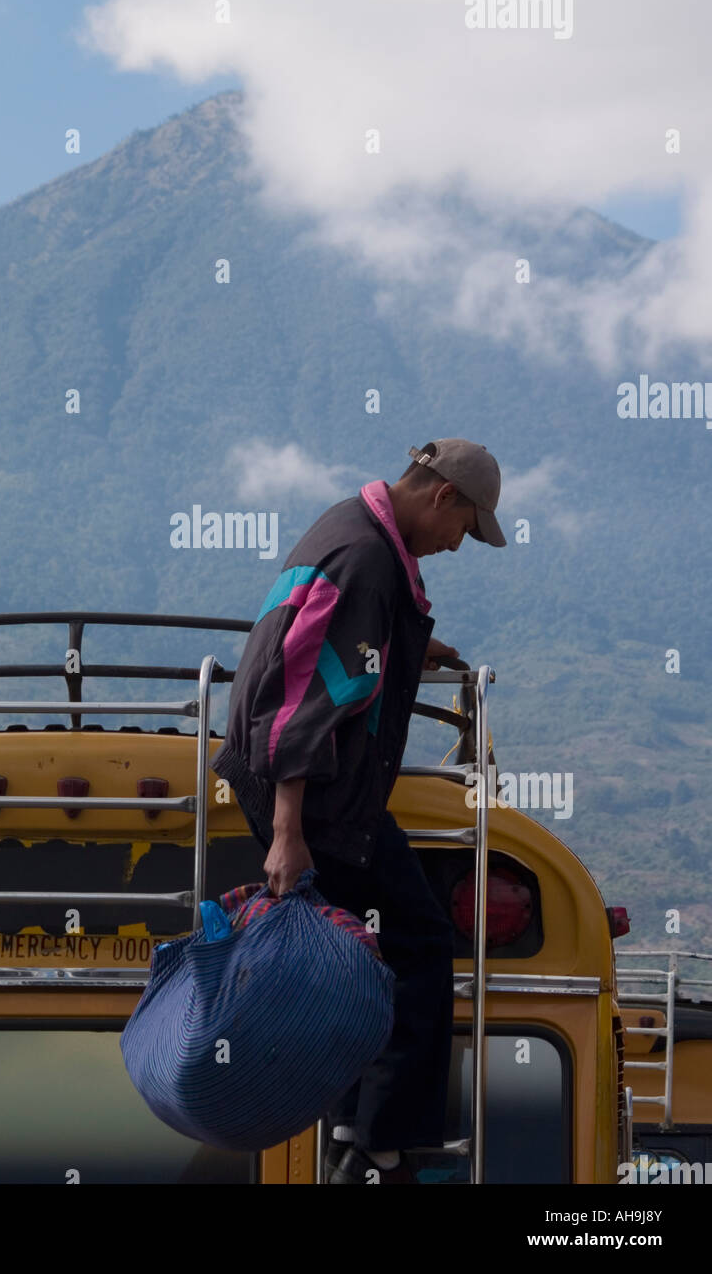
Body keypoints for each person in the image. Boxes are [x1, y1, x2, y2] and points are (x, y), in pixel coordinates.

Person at [211, 438, 505, 1184]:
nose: (454, 546)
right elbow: (306, 700)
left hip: (300, 782)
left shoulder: (348, 529)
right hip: (313, 791)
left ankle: (350, 1122)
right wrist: (286, 834)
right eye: (462, 528)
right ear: (441, 496)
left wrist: (412, 643)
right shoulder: (368, 564)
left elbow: (341, 645)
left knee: (348, 952)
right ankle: (374, 1145)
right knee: (418, 940)